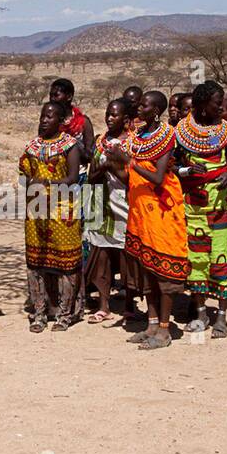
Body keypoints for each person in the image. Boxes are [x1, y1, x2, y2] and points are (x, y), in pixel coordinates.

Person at [111, 89, 189, 349]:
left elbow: (156, 178)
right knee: (146, 271)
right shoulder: (138, 137)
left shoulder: (167, 135)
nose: (139, 109)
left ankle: (165, 330)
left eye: (144, 106)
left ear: (156, 111)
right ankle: (152, 323)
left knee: (161, 271)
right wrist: (113, 164)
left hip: (161, 210)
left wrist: (129, 162)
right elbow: (131, 179)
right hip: (139, 210)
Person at [174, 80, 227, 337]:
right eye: (216, 103)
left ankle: (221, 315)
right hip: (194, 203)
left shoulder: (225, 131)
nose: (221, 107)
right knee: (196, 258)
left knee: (221, 257)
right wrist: (188, 170)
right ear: (200, 105)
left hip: (221, 202)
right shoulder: (181, 132)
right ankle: (200, 312)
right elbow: (172, 167)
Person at [20, 100, 84, 332]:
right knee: (36, 263)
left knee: (66, 263)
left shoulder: (70, 145)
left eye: (50, 116)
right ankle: (40, 312)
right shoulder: (31, 147)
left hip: (63, 211)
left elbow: (73, 178)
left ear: (61, 121)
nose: (44, 120)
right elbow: (24, 176)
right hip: (36, 211)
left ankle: (66, 314)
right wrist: (31, 185)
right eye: (42, 116)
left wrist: (47, 183)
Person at [84, 98, 139, 323]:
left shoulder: (134, 143)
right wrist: (104, 167)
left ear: (126, 120)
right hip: (101, 203)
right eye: (108, 113)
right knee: (102, 254)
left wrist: (112, 166)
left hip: (125, 203)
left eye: (114, 115)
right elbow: (90, 176)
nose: (109, 118)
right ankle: (104, 304)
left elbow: (132, 177)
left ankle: (129, 304)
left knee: (127, 255)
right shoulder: (100, 142)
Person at [49, 77, 94, 157]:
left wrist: (71, 149)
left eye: (56, 95)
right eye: (51, 95)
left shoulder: (84, 122)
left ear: (69, 97)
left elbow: (89, 154)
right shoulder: (49, 122)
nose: (52, 99)